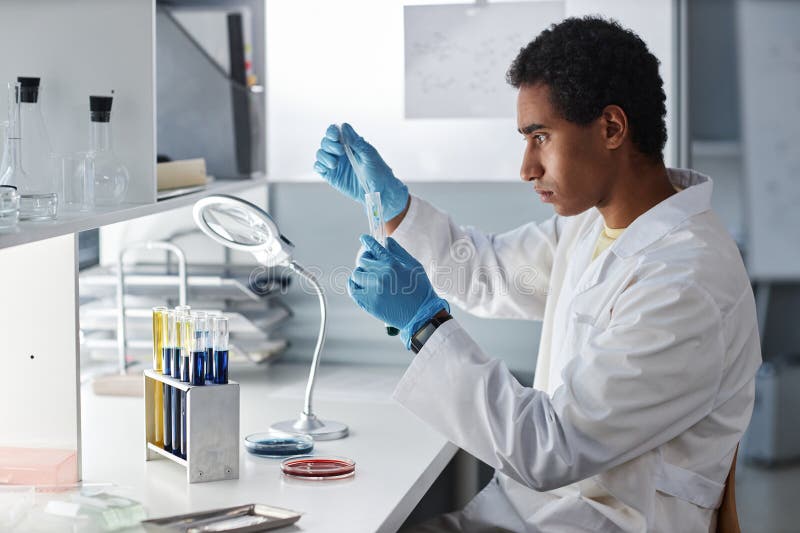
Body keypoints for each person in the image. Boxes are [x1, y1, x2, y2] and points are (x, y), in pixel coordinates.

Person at [314, 16, 761, 533]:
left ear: (612, 128)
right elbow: (489, 274)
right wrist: (395, 208)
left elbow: (553, 449)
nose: (526, 167)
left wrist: (425, 324)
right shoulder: (596, 225)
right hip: (538, 510)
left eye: (540, 137)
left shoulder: (687, 283)